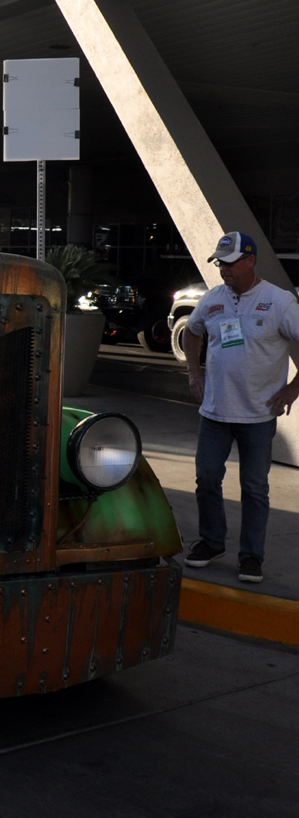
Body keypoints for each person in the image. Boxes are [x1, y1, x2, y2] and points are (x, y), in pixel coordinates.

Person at [183, 231, 299, 583]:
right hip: (215, 412)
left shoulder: (278, 301)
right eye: (220, 263)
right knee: (206, 478)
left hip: (259, 415)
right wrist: (194, 372)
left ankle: (251, 556)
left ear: (251, 260)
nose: (224, 270)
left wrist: (293, 389)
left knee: (254, 488)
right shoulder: (212, 298)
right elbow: (192, 331)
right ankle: (212, 542)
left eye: (231, 263)